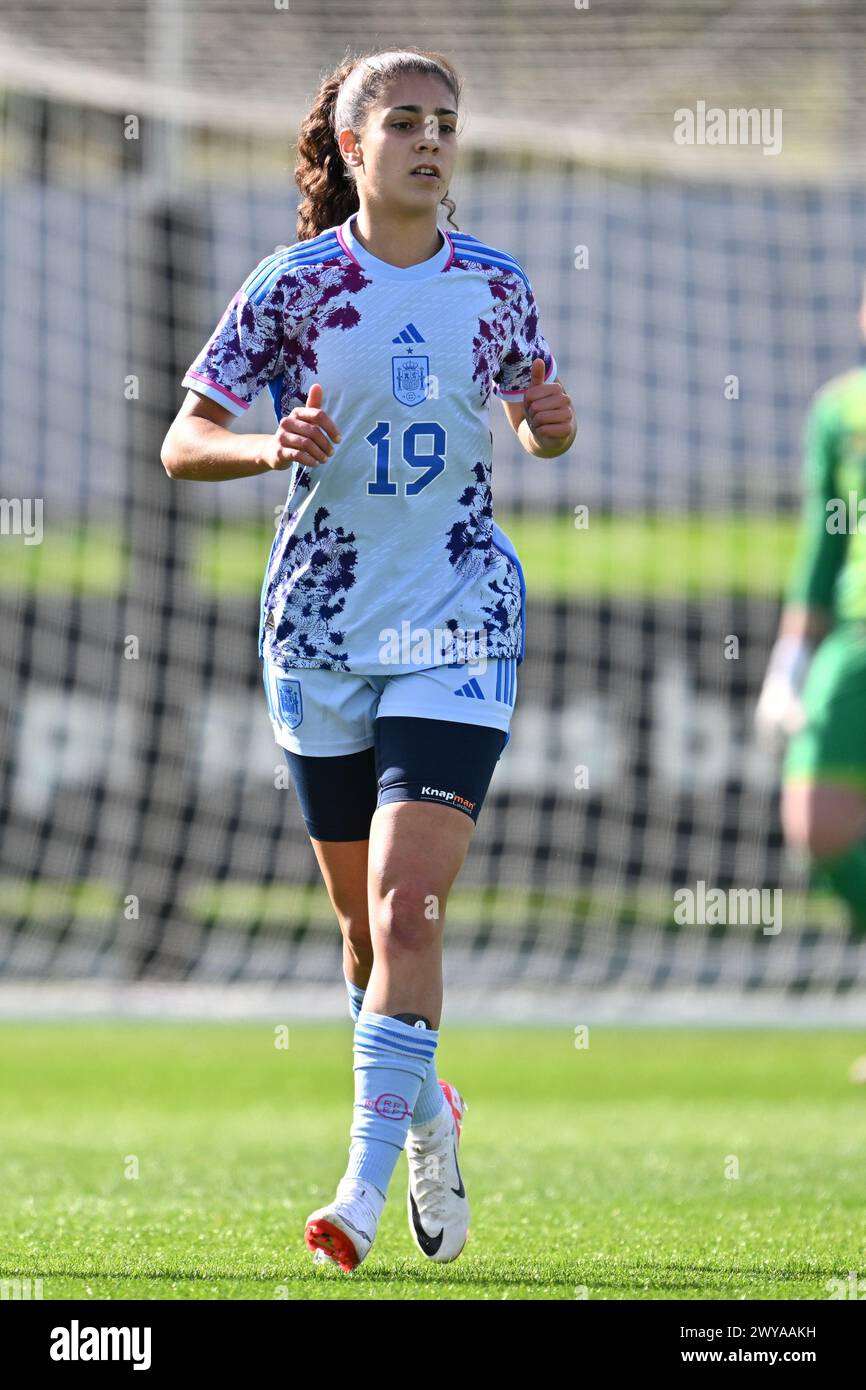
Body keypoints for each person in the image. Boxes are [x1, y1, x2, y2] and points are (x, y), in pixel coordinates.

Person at [161, 45, 576, 1272]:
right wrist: (264, 447)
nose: (430, 141)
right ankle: (427, 1112)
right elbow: (184, 441)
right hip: (321, 630)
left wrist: (549, 430)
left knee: (407, 903)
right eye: (403, 122)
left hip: (458, 618)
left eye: (444, 121)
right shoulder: (291, 286)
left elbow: (532, 415)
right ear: (351, 149)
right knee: (360, 934)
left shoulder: (494, 286)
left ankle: (352, 1188)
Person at [755, 279, 866, 936]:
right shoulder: (839, 410)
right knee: (815, 822)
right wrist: (790, 661)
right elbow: (823, 546)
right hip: (855, 640)